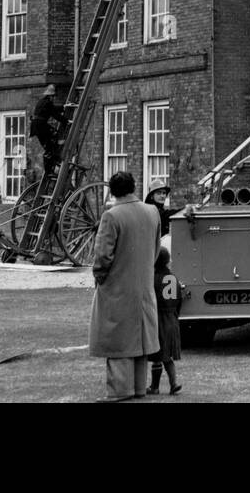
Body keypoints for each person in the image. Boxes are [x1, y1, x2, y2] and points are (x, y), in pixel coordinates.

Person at [90, 170, 161, 402]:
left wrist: (100, 277)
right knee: (140, 340)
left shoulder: (111, 216)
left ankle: (120, 390)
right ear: (133, 187)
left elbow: (102, 256)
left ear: (112, 191)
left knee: (118, 340)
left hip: (117, 287)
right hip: (144, 286)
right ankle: (139, 387)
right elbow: (156, 250)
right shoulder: (152, 212)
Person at [147, 246, 183, 396]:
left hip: (159, 319)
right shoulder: (174, 278)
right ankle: (172, 384)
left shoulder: (153, 279)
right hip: (172, 319)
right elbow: (180, 300)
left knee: (158, 355)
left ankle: (157, 387)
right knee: (166, 355)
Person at [30, 85, 68, 177]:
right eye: (53, 96)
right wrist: (66, 121)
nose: (53, 98)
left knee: (49, 146)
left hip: (36, 126)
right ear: (50, 96)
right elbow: (55, 115)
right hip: (41, 126)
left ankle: (52, 165)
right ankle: (50, 169)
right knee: (51, 144)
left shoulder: (42, 102)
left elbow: (53, 109)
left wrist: (63, 107)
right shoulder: (48, 103)